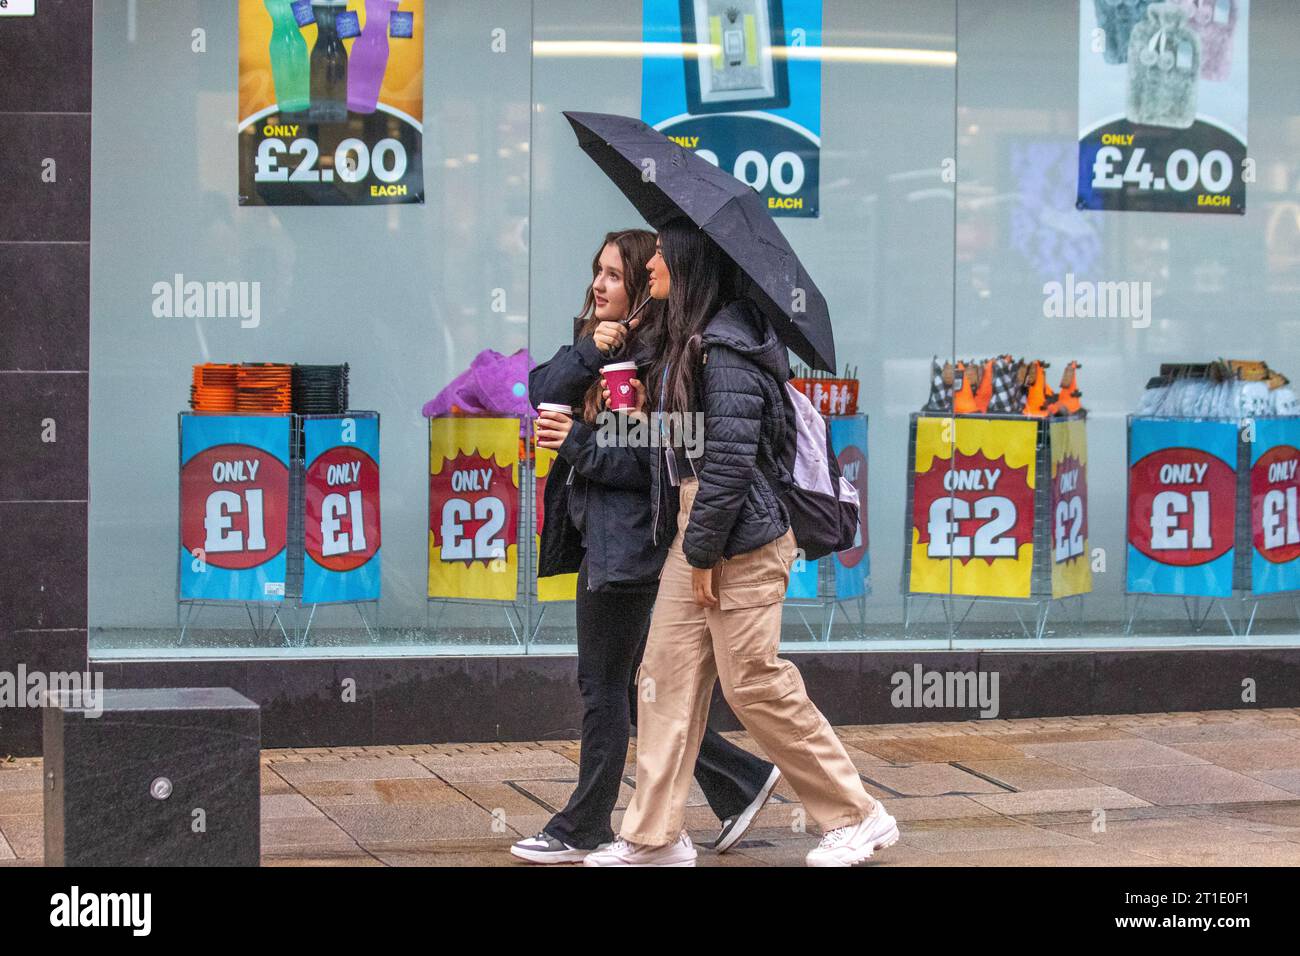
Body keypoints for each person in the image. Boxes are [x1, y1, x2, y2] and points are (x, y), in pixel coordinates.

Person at [585, 221, 898, 867]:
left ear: (695, 263)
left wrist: (701, 555)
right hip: (699, 530)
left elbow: (727, 470)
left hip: (742, 536)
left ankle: (858, 815)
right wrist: (648, 415)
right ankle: (653, 837)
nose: (653, 265)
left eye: (665, 255)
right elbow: (699, 446)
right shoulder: (688, 341)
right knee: (663, 679)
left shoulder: (727, 349)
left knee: (752, 681)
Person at [512, 228, 780, 864]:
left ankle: (586, 826)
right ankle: (739, 781)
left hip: (633, 541)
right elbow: (539, 388)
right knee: (633, 686)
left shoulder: (661, 357)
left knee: (605, 684)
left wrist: (577, 441)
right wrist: (589, 352)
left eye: (614, 274)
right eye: (596, 271)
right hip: (601, 537)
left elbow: (649, 463)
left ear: (640, 285)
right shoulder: (603, 345)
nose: (599, 284)